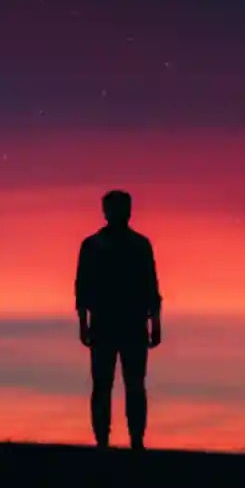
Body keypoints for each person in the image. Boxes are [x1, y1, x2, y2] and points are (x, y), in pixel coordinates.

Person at [75, 189, 163, 450]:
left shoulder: (139, 245)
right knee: (104, 384)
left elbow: (151, 285)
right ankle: (103, 439)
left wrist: (155, 322)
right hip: (106, 323)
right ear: (106, 212)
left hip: (131, 323)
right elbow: (82, 287)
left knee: (133, 384)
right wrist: (83, 322)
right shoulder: (92, 245)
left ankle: (136, 439)